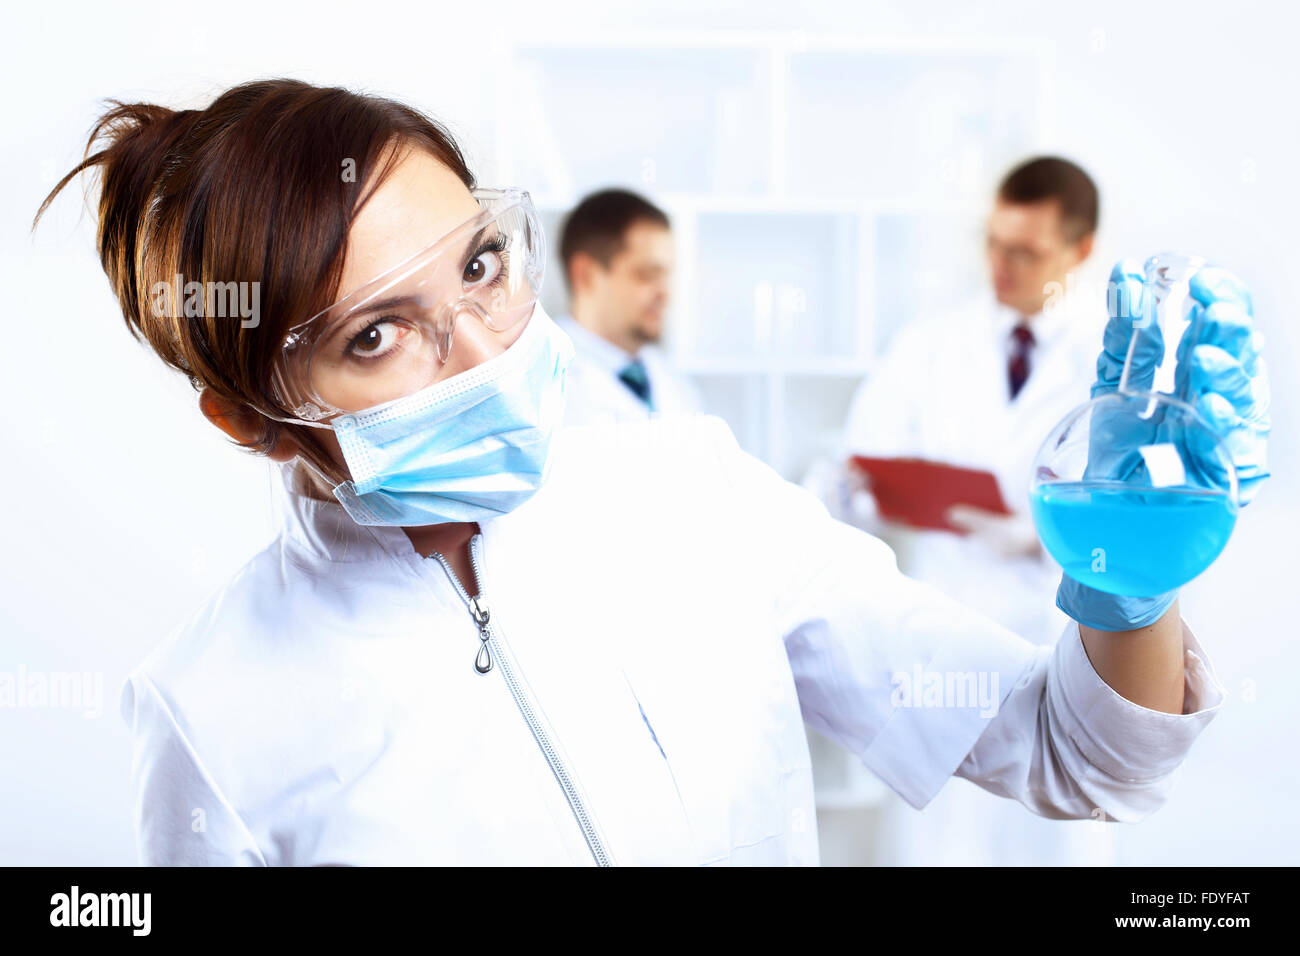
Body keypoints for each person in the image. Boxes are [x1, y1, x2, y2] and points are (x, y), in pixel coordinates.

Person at [36, 81, 1267, 866]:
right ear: (250, 420)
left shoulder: (689, 488)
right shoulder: (215, 707)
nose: (487, 349)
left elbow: (1076, 755)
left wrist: (1125, 580)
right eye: (376, 333)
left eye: (478, 266)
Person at [806, 157, 1146, 864]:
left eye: (1027, 252)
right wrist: (849, 488)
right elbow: (859, 462)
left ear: (1081, 251)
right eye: (996, 244)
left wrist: (1044, 537)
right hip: (943, 649)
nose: (1003, 265)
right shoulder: (930, 345)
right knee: (943, 846)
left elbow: (1145, 521)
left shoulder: (1119, 365)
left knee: (1056, 840)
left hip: (1060, 650)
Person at [554, 189, 703, 425]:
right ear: (586, 275)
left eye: (666, 276)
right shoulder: (544, 385)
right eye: (646, 275)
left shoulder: (673, 383)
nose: (666, 293)